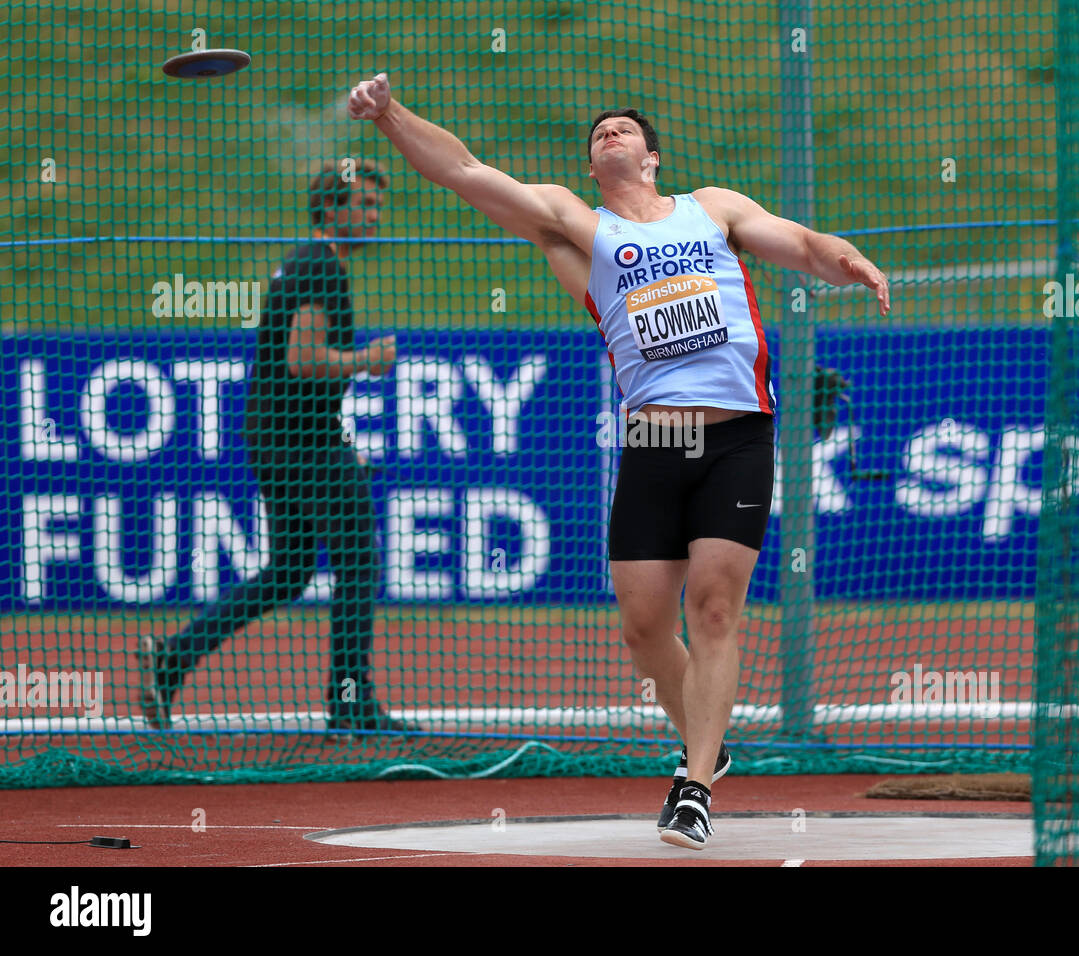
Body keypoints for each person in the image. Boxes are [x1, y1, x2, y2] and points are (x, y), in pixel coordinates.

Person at [348, 74, 890, 847]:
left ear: (653, 156)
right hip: (656, 441)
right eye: (598, 133)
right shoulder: (579, 225)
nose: (609, 134)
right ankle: (711, 737)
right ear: (592, 166)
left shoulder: (714, 209)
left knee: (712, 608)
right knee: (642, 630)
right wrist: (389, 115)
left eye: (623, 130)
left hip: (737, 434)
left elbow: (803, 243)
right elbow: (466, 172)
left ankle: (695, 783)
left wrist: (850, 262)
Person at [138, 157, 422, 735]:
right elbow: (304, 361)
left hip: (288, 438)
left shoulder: (312, 262)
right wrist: (368, 361)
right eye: (364, 205)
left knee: (290, 572)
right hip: (300, 443)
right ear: (331, 209)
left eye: (376, 205)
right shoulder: (319, 266)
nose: (374, 215)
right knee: (359, 566)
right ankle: (351, 704)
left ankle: (171, 659)